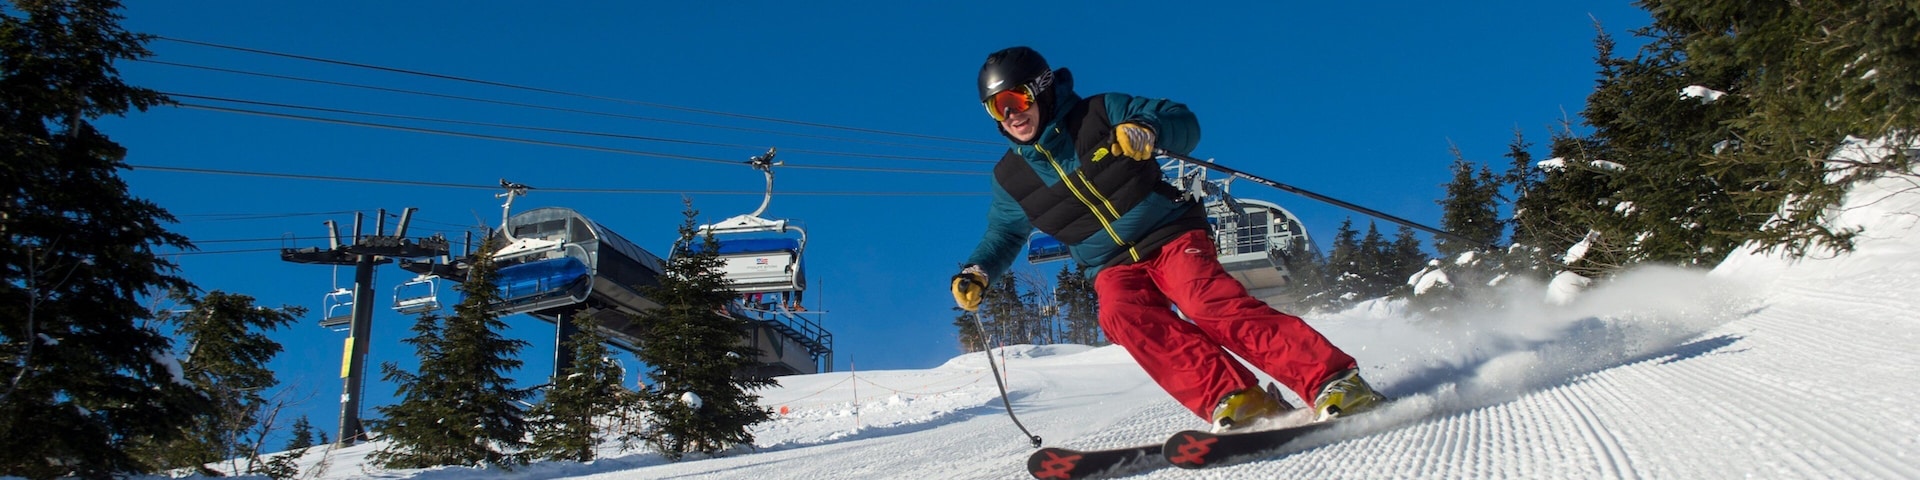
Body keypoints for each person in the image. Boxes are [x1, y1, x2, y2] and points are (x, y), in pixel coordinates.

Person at [950, 46, 1386, 431]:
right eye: (995, 108)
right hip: (1111, 265)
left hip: (1171, 234)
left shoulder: (1100, 114)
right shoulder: (1011, 177)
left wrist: (1147, 128)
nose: (1010, 115)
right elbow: (1004, 233)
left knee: (1204, 302)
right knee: (1120, 314)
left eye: (1014, 99)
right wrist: (977, 270)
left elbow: (1183, 121)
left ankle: (1333, 381)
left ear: (1041, 88)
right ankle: (1235, 397)